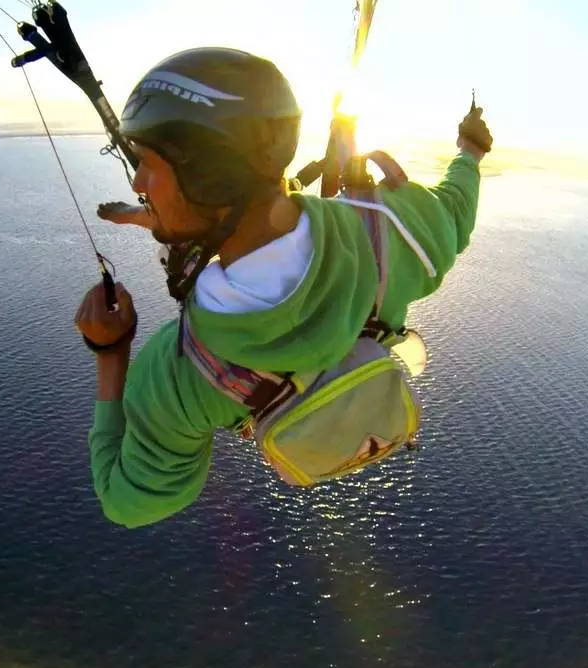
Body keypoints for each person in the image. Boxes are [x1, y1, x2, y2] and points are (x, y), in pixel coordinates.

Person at [74, 47, 491, 528]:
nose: (138, 181)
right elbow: (455, 212)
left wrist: (110, 351)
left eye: (147, 163)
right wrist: (470, 151)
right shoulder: (395, 235)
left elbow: (126, 501)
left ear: (211, 178)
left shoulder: (177, 376)